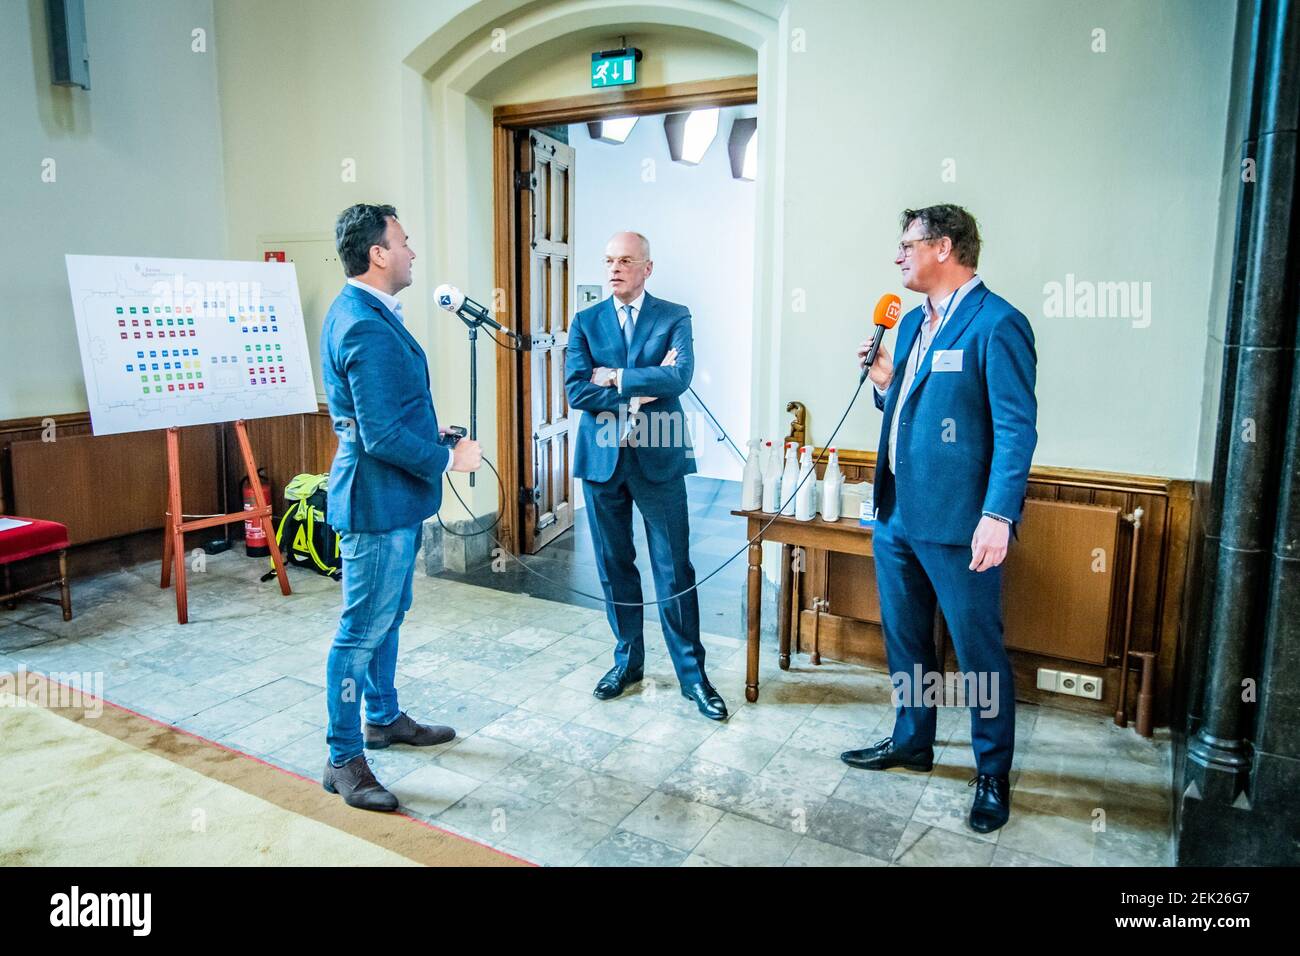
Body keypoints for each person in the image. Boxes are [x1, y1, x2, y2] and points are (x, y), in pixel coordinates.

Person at [846, 204, 1037, 833]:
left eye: (908, 245)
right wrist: (882, 381)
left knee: (978, 653)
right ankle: (912, 740)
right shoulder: (911, 325)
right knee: (906, 642)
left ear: (944, 248)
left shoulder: (998, 323)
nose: (898, 256)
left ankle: (991, 773)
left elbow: (1015, 430)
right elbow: (903, 409)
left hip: (962, 524)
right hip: (897, 513)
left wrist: (998, 516)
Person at [319, 203, 482, 811]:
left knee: (388, 618)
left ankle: (382, 718)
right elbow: (380, 436)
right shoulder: (361, 322)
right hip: (375, 504)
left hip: (394, 499)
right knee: (359, 632)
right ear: (378, 254)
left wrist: (433, 437)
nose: (412, 251)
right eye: (404, 242)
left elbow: (386, 418)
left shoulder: (368, 312)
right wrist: (449, 459)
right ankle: (343, 758)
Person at [563, 231, 727, 721]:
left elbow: (680, 378)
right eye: (609, 260)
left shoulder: (674, 315)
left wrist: (612, 376)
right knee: (616, 566)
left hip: (659, 453)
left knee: (674, 567)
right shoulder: (586, 321)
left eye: (626, 261)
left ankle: (693, 677)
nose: (615, 269)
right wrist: (639, 386)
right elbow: (575, 390)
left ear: (647, 268)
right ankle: (627, 662)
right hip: (602, 459)